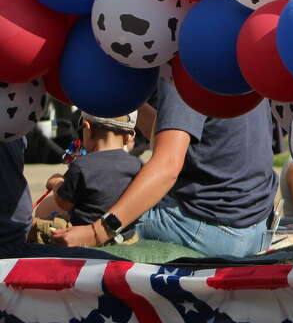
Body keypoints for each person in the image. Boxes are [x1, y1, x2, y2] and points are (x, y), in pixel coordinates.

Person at [53, 76, 278, 258]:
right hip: (258, 228)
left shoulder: (184, 73)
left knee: (86, 201)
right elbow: (179, 132)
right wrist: (130, 100)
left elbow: (167, 167)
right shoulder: (232, 64)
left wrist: (96, 232)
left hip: (209, 231)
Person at [31, 112, 142, 244]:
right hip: (125, 237)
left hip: (82, 234)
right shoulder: (137, 164)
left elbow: (64, 203)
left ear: (87, 128)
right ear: (129, 136)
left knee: (31, 226)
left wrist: (56, 183)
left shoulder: (81, 166)